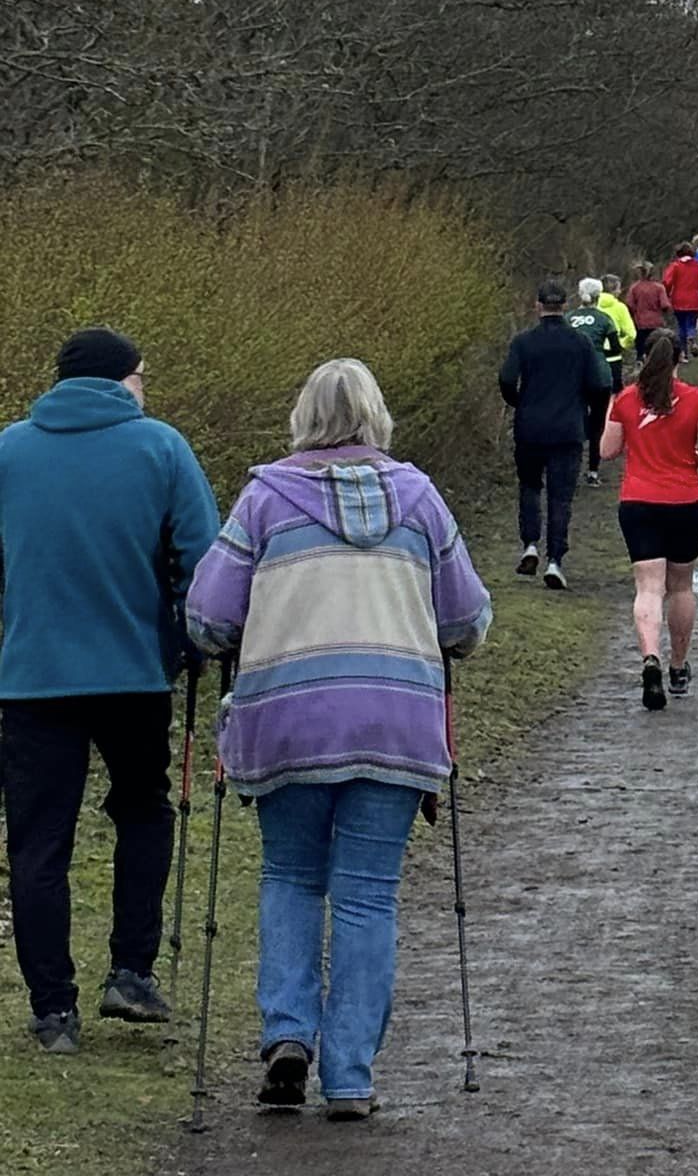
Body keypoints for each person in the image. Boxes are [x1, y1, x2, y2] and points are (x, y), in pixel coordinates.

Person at [187, 359, 491, 1118]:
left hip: (286, 719)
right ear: (378, 416)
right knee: (366, 895)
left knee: (290, 876)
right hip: (394, 722)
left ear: (303, 418)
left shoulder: (262, 500)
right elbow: (467, 622)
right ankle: (350, 1075)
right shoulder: (419, 498)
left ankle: (288, 1032)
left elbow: (207, 619)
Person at [0, 329, 219, 1056]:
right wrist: (189, 636)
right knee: (143, 813)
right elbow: (203, 557)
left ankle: (52, 1007)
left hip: (31, 677)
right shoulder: (161, 448)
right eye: (144, 376)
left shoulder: (9, 451)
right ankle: (130, 969)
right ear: (124, 380)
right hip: (133, 673)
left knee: (39, 844)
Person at [602, 336, 698, 709]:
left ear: (644, 358)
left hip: (638, 501)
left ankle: (650, 658)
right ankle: (677, 665)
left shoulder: (625, 398)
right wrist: (693, 460)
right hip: (684, 500)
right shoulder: (697, 399)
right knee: (681, 586)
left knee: (648, 587)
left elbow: (606, 451)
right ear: (679, 359)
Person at [498, 280, 612, 589]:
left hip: (530, 426)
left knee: (530, 487)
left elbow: (507, 380)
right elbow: (599, 385)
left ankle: (530, 545)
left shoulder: (523, 342)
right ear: (565, 306)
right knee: (561, 497)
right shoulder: (580, 343)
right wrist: (586, 410)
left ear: (537, 306)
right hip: (568, 428)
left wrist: (520, 402)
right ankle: (555, 561)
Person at [568, 279, 624, 485]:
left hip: (574, 377)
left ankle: (570, 469)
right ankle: (593, 472)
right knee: (598, 424)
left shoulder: (569, 318)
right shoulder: (604, 319)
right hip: (600, 376)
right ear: (598, 296)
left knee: (574, 422)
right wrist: (600, 350)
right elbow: (616, 348)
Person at [662, 245, 698, 362]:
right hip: (694, 300)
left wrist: (667, 294)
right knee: (691, 323)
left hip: (679, 300)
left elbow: (667, 282)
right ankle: (692, 337)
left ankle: (684, 353)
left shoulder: (675, 266)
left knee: (681, 325)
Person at [626, 261, 673, 361]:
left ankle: (640, 362)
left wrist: (635, 313)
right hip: (656, 323)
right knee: (655, 347)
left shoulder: (634, 288)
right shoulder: (659, 288)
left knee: (640, 346)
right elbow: (665, 305)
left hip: (640, 322)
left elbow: (629, 304)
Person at [598, 275, 637, 368]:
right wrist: (621, 344)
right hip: (613, 355)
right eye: (619, 288)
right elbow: (631, 334)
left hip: (594, 355)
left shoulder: (591, 306)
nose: (620, 292)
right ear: (614, 291)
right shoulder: (620, 307)